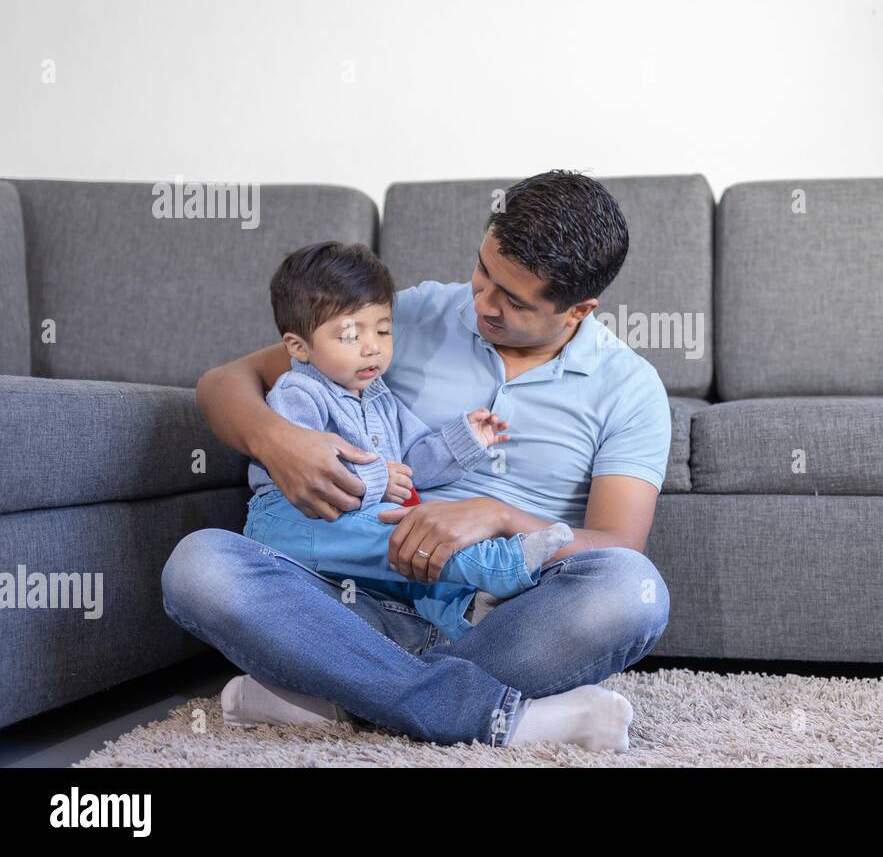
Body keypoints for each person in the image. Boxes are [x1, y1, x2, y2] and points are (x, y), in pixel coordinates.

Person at [160, 169, 673, 751]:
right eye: (483, 272)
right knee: (198, 564)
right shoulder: (414, 312)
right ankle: (476, 711)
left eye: (513, 300)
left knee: (632, 590)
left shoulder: (630, 388)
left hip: (491, 620)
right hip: (345, 600)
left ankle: (342, 690)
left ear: (578, 310)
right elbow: (226, 381)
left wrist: (498, 515)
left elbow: (617, 542)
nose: (483, 302)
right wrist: (278, 441)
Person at [243, 239, 578, 648]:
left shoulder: (380, 397)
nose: (373, 347)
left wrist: (464, 439)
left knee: (421, 561)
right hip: (290, 521)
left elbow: (414, 461)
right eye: (350, 336)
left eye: (383, 331)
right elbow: (309, 473)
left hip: (351, 526)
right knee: (402, 534)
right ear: (299, 347)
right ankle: (498, 564)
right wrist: (374, 479)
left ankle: (464, 622)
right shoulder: (298, 392)